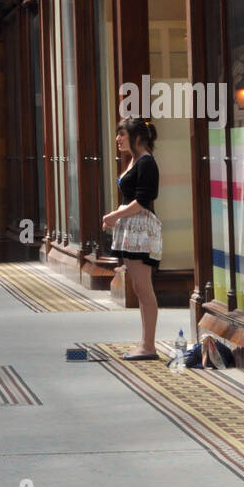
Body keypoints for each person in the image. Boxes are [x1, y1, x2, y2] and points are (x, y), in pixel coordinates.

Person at [102, 119, 161, 360]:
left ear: (136, 137)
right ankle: (145, 343)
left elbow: (143, 201)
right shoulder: (136, 161)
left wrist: (114, 215)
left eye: (122, 134)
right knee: (138, 286)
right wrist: (116, 218)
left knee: (143, 288)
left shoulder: (146, 162)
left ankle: (149, 345)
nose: (118, 139)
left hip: (140, 230)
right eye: (117, 134)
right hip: (132, 229)